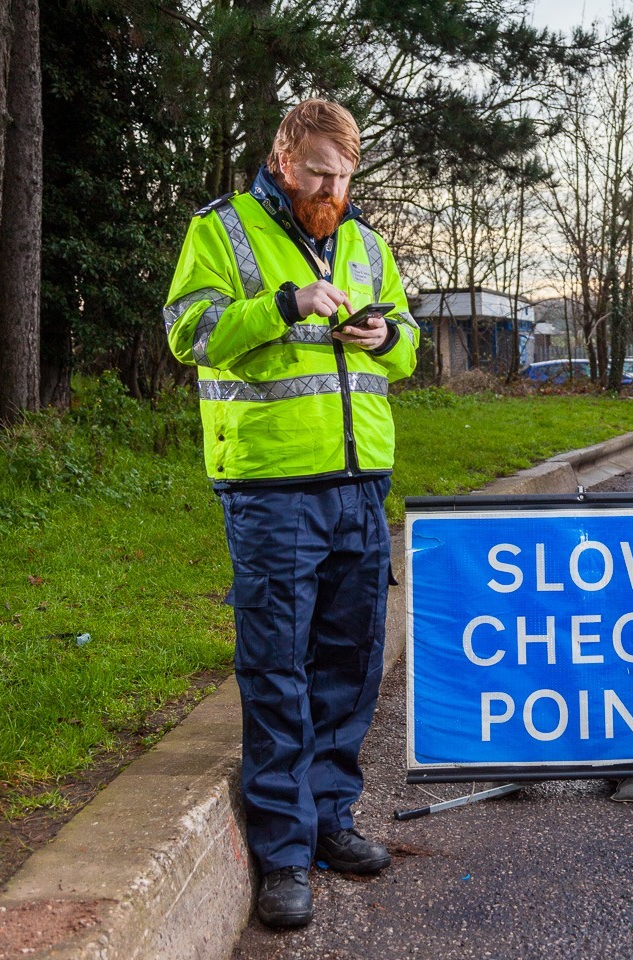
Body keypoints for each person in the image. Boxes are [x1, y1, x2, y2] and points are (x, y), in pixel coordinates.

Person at [164, 98, 419, 930]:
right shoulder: (222, 230)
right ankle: (282, 855)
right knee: (277, 669)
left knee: (351, 662)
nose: (331, 189)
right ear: (283, 160)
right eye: (317, 172)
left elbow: (409, 340)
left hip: (360, 482)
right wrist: (284, 303)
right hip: (271, 486)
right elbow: (190, 333)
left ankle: (331, 820)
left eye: (343, 176)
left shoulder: (367, 243)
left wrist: (385, 339)